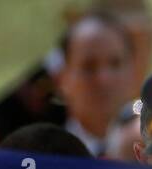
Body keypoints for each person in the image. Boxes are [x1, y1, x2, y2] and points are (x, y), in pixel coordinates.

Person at [56, 10, 138, 156]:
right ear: (63, 79)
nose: (104, 79)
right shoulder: (45, 157)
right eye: (88, 67)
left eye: (115, 64)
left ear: (133, 72)